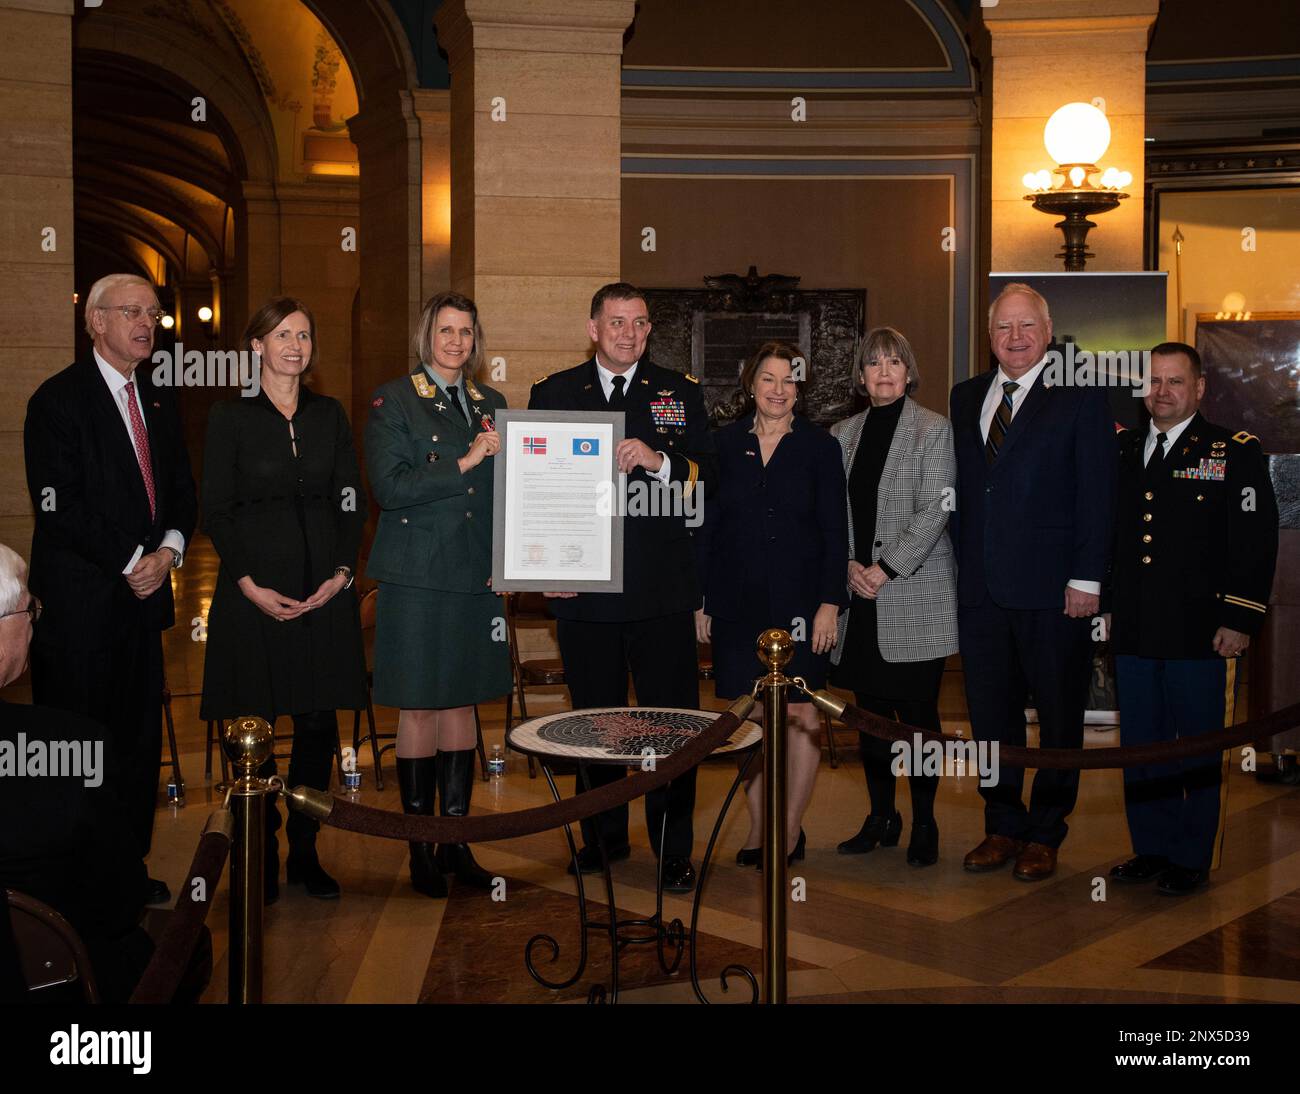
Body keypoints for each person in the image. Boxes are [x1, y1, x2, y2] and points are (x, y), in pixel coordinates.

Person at [528, 282, 717, 892]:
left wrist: (658, 460)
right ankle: (601, 838)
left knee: (670, 727)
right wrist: (538, 567)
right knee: (594, 727)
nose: (629, 333)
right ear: (592, 328)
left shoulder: (679, 394)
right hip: (583, 594)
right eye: (616, 322)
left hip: (662, 594)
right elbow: (535, 492)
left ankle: (672, 849)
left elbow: (709, 483)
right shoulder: (554, 392)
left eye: (639, 323)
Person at [23, 274, 198, 906]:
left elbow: (180, 488)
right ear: (95, 322)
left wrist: (170, 550)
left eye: (153, 313)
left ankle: (125, 871)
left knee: (135, 747)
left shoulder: (156, 398)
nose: (147, 323)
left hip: (143, 608)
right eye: (132, 312)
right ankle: (76, 887)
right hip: (80, 614)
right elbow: (57, 506)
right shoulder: (57, 401)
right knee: (79, 751)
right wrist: (134, 558)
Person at [200, 297, 367, 902]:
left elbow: (351, 497)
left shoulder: (329, 415)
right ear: (257, 347)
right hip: (253, 593)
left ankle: (304, 850)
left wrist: (343, 572)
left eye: (303, 335)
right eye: (281, 335)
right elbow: (215, 508)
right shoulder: (230, 417)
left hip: (324, 592)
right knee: (255, 726)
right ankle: (259, 850)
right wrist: (247, 584)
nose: (295, 346)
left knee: (319, 723)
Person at [948, 283, 1116, 881]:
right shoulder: (965, 396)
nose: (1014, 338)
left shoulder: (1080, 399)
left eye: (1026, 327)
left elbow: (1098, 495)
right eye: (1002, 328)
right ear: (989, 336)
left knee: (1059, 712)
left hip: (1055, 590)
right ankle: (1001, 824)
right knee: (991, 715)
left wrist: (1087, 579)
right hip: (981, 591)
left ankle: (1046, 831)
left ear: (1048, 333)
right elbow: (967, 494)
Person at [0, 542, 211, 1003]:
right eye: (28, 610)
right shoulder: (73, 746)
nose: (35, 622)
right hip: (64, 978)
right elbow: (121, 900)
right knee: (191, 946)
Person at [1105, 343, 1278, 895]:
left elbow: (1255, 542)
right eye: (1154, 381)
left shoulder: (1232, 451)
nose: (1162, 392)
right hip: (1135, 628)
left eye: (1175, 381)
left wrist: (1241, 618)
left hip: (1203, 632)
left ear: (1199, 388)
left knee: (1199, 746)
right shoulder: (1126, 450)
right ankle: (1151, 847)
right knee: (1143, 745)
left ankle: (1191, 855)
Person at [366, 291, 510, 898]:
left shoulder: (491, 403)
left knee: (463, 704)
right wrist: (464, 459)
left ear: (477, 341)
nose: (457, 342)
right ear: (427, 337)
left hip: (475, 575)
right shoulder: (394, 399)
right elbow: (389, 486)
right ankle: (420, 846)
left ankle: (455, 840)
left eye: (467, 333)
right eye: (446, 331)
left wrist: (516, 561)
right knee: (420, 705)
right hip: (417, 576)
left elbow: (508, 496)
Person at [695, 342, 847, 867]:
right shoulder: (723, 444)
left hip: (804, 605)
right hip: (737, 604)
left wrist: (831, 603)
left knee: (802, 711)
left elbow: (835, 531)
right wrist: (702, 600)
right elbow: (709, 528)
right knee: (750, 716)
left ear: (799, 389)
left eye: (789, 380)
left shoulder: (821, 448)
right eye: (768, 378)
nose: (778, 389)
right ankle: (761, 829)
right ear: (750, 384)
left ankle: (790, 829)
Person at [829, 327, 958, 867]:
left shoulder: (934, 429)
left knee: (918, 715)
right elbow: (830, 513)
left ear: (909, 373)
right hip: (858, 597)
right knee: (870, 715)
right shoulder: (841, 434)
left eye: (895, 362)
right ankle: (882, 815)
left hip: (914, 594)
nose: (884, 371)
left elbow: (938, 507)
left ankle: (924, 819)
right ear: (861, 377)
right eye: (874, 363)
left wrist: (884, 568)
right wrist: (850, 566)